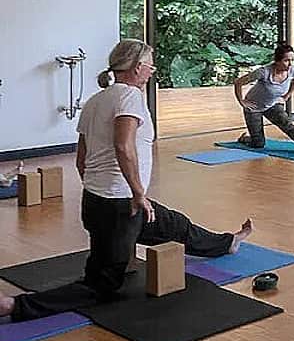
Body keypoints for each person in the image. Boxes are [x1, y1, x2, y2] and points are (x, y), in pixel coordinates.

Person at [0, 40, 254, 323]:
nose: (152, 70)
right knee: (101, 285)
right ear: (137, 68)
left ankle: (228, 243)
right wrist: (136, 193)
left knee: (175, 225)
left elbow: (81, 158)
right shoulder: (129, 97)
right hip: (121, 205)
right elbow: (123, 146)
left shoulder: (96, 100)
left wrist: (97, 190)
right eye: (150, 65)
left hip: (101, 202)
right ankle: (14, 306)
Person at [234, 43, 294, 155]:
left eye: (292, 60)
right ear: (277, 61)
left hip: (273, 104)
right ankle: (245, 139)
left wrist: (286, 96)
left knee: (288, 126)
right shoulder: (263, 72)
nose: (290, 64)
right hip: (254, 106)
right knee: (258, 144)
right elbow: (238, 82)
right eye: (286, 60)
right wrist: (242, 101)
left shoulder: (293, 70)